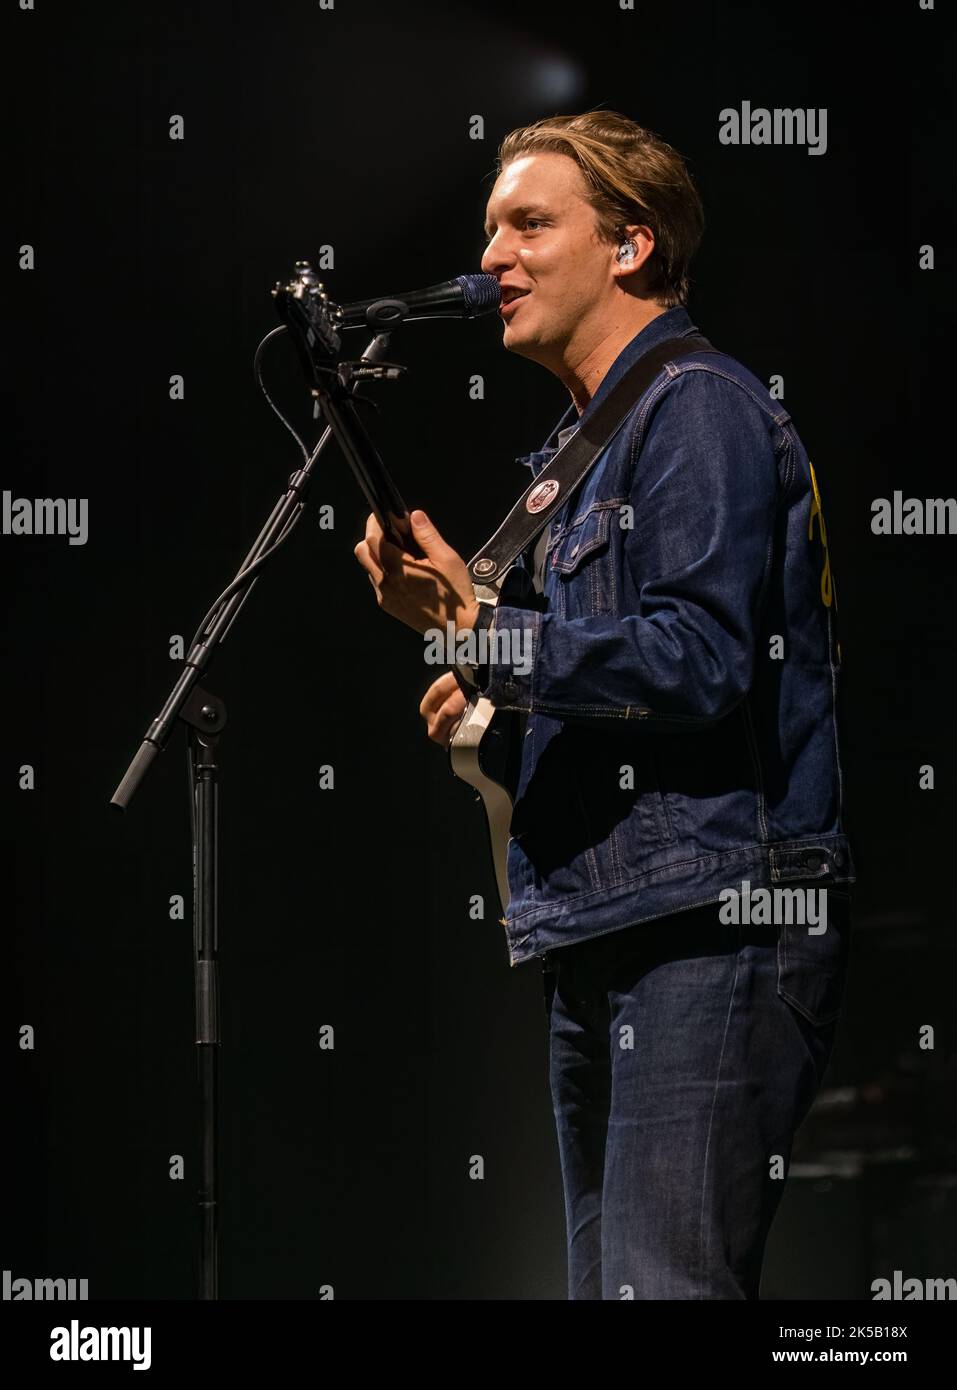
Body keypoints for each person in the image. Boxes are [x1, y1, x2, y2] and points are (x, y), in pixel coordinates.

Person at [353, 109, 856, 1300]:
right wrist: (492, 710)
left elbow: (697, 660)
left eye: (530, 224)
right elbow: (612, 672)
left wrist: (480, 628)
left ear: (630, 246)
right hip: (616, 922)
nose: (492, 258)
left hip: (710, 918)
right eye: (489, 230)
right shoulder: (577, 452)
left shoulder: (697, 408)